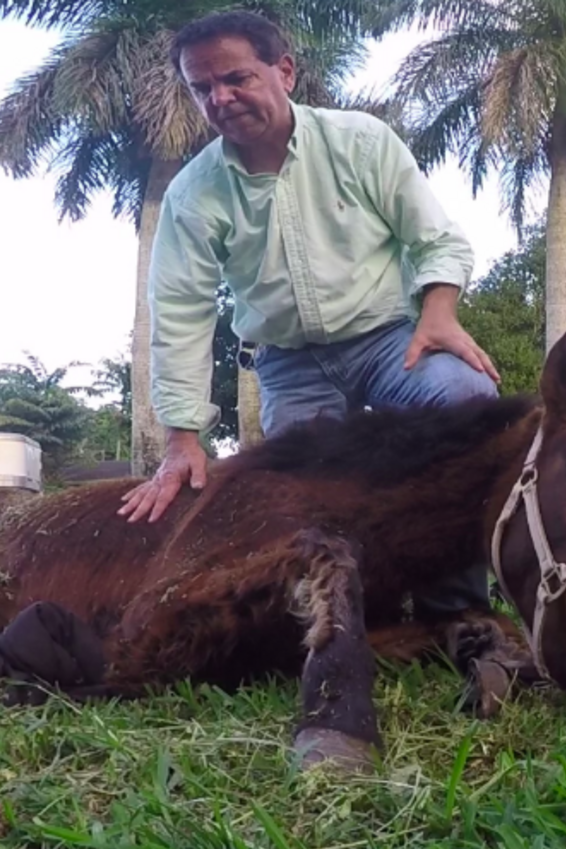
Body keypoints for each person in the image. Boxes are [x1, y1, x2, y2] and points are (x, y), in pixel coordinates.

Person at [116, 10, 500, 622]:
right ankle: (353, 615)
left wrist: (440, 311)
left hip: (390, 340)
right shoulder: (194, 194)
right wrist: (182, 438)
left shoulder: (362, 142)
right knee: (300, 492)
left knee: (463, 399)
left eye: (237, 77)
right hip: (289, 364)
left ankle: (454, 610)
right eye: (203, 87)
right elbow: (182, 314)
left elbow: (437, 241)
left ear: (285, 71)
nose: (221, 97)